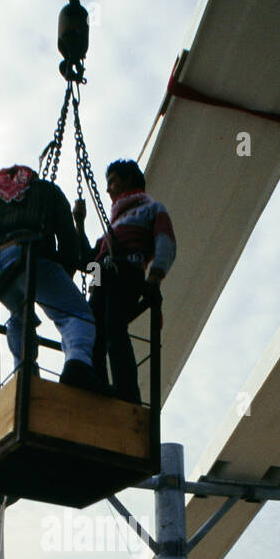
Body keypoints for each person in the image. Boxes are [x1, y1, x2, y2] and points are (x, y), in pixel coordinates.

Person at [0, 164, 97, 389]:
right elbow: (73, 246)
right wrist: (63, 279)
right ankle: (77, 366)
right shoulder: (47, 191)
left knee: (20, 314)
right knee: (78, 315)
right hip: (26, 254)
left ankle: (25, 370)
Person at [74, 159, 176, 402]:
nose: (108, 189)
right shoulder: (114, 228)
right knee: (92, 331)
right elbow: (89, 260)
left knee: (112, 326)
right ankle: (99, 384)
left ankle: (126, 392)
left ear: (128, 180)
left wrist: (155, 276)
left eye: (112, 181)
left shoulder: (150, 209)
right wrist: (79, 222)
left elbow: (166, 242)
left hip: (126, 272)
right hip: (103, 275)